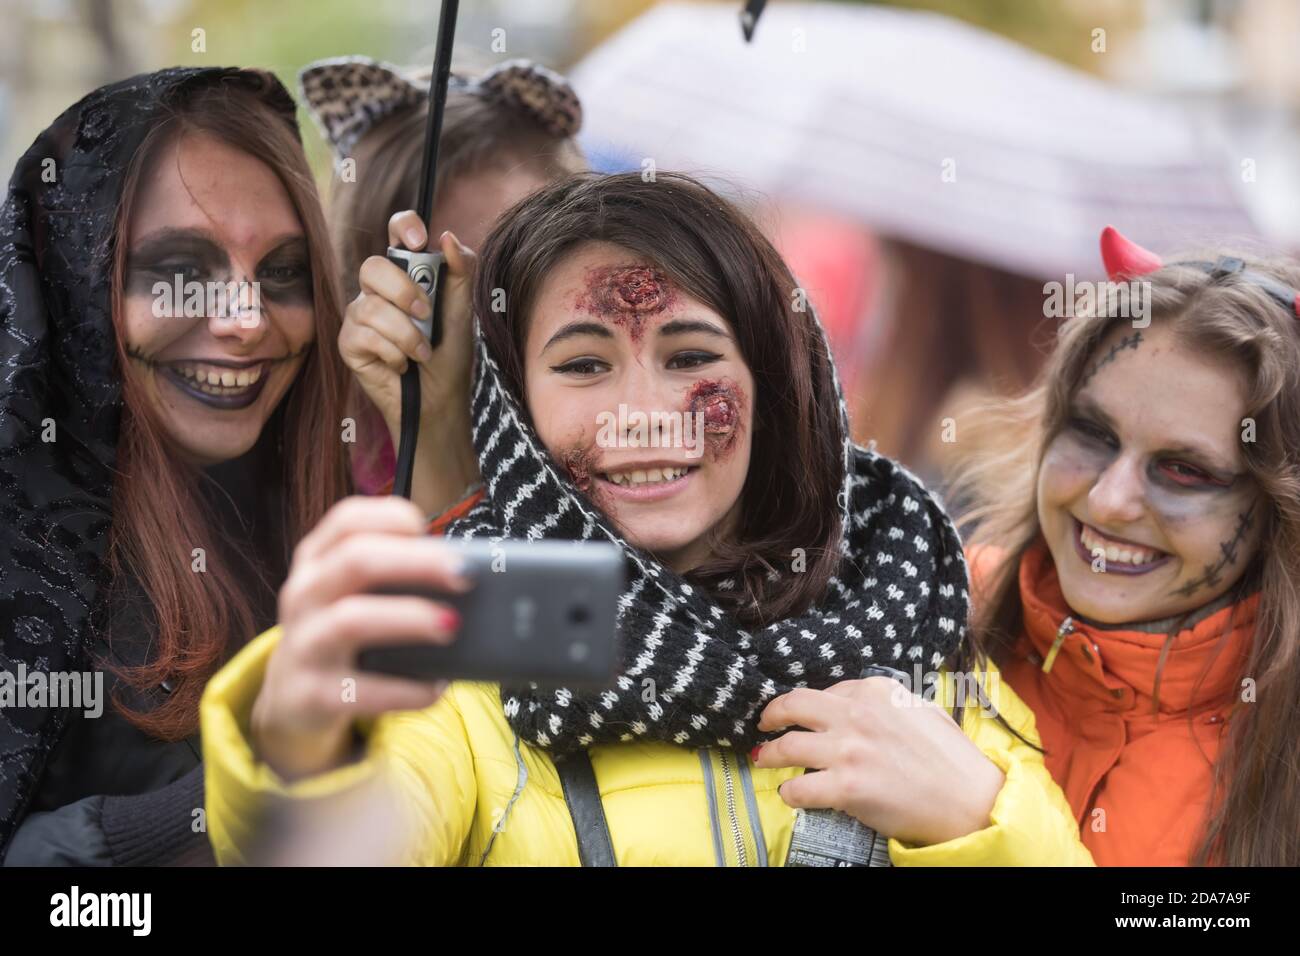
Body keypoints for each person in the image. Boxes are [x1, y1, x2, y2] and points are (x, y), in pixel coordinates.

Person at [201, 172, 1090, 866]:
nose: (643, 413)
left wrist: (979, 819)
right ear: (515, 407)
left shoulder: (912, 612)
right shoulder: (475, 644)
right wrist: (302, 752)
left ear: (775, 386)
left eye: (691, 355)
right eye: (584, 366)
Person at [0, 67, 351, 865]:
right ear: (76, 286)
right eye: (182, 271)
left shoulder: (330, 512)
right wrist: (220, 804)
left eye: (285, 272)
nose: (247, 320)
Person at [950, 226, 1300, 865]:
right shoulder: (933, 615)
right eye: (1092, 432)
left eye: (1184, 469)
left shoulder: (1282, 756)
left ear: (1280, 512)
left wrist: (987, 829)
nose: (1109, 501)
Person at [299, 55, 585, 501]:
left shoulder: (624, 428)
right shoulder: (325, 472)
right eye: (439, 276)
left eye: (524, 262)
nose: (489, 311)